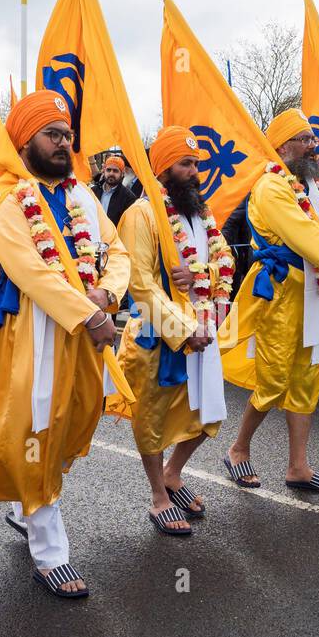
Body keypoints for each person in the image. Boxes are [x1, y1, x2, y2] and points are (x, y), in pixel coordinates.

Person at [0, 90, 129, 598]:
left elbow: (117, 249)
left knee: (74, 420)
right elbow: (32, 273)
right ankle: (50, 552)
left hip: (84, 332)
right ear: (25, 144)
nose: (64, 143)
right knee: (36, 428)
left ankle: (29, 506)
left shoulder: (83, 196)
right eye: (53, 135)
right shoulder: (7, 204)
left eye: (67, 135)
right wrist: (89, 315)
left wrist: (107, 291)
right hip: (31, 337)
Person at [220, 108, 319, 492]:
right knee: (274, 381)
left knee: (307, 379)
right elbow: (304, 237)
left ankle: (299, 468)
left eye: (312, 139)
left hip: (316, 293)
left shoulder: (314, 188)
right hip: (280, 294)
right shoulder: (271, 187)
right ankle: (238, 450)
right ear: (282, 147)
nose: (313, 145)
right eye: (304, 139)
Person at [110, 128, 233, 535]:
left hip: (204, 326)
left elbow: (225, 261)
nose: (194, 171)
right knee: (154, 418)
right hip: (158, 336)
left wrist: (202, 272)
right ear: (162, 169)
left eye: (196, 163)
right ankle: (158, 495)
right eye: (185, 163)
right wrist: (182, 330)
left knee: (208, 413)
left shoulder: (202, 214)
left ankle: (173, 473)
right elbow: (139, 284)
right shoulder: (141, 214)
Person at [95, 153, 138, 228]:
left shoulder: (129, 197)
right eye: (108, 170)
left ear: (122, 174)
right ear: (104, 171)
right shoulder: (94, 191)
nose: (111, 173)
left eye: (115, 171)